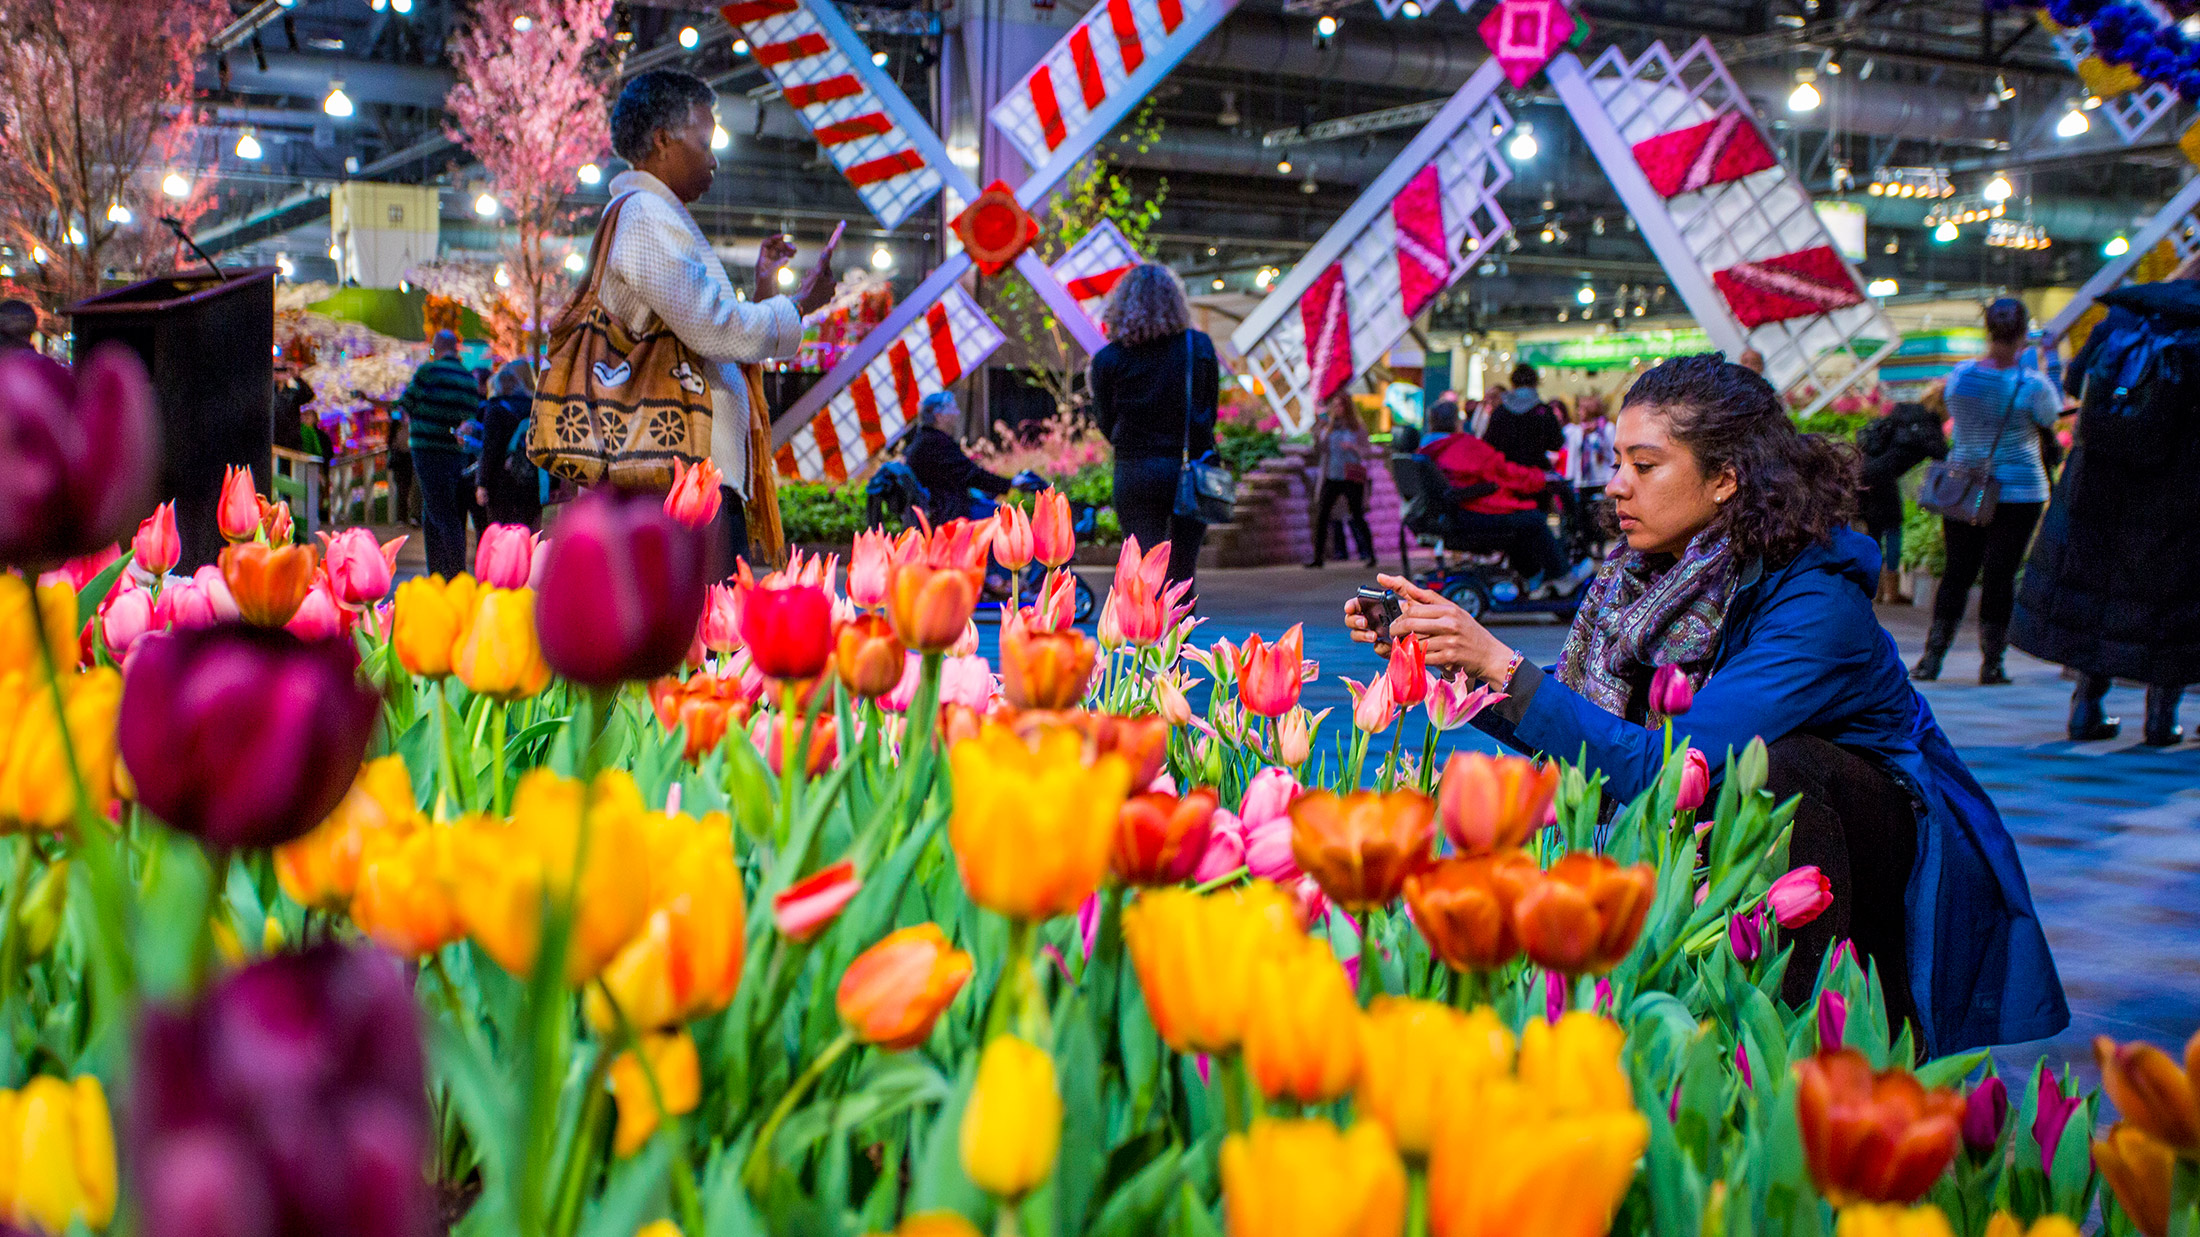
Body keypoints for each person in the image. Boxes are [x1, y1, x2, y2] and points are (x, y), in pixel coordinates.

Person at [1344, 354, 2067, 1056]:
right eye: (1618, 461)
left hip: (1869, 863)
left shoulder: (1816, 601)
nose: (1616, 487)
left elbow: (1667, 768)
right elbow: (1601, 741)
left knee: (1778, 767)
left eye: (1644, 466)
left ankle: (1803, 1053)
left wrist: (1500, 661)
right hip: (1741, 833)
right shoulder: (1640, 584)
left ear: (1726, 478)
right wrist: (1455, 664)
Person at [600, 68, 837, 568]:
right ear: (663, 140)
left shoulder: (652, 215)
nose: (712, 160)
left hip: (681, 471)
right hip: (676, 478)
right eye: (704, 142)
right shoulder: (645, 215)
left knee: (705, 636)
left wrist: (764, 289)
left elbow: (702, 330)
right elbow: (713, 327)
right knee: (701, 636)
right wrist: (798, 306)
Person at [2014, 274, 2200, 745]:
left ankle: (2085, 710)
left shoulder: (2123, 317)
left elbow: (2076, 382)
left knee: (2099, 596)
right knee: (2173, 599)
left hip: (2099, 481)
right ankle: (2161, 720)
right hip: (2177, 488)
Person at [1910, 299, 2064, 685]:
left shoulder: (1961, 377)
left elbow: (1954, 413)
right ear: (2024, 333)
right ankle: (1992, 664)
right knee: (2001, 576)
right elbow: (2050, 419)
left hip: (1963, 487)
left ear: (1988, 329)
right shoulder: (2031, 385)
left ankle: (1932, 658)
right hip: (2018, 491)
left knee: (1957, 574)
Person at [1090, 262, 1219, 595]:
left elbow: (1105, 420)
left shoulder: (1108, 359)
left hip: (1134, 470)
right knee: (1182, 571)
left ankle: (1150, 643)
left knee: (1146, 568)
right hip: (1188, 469)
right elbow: (1208, 411)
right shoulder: (1198, 347)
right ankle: (1177, 646)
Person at [1420, 401, 1593, 597]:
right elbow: (1505, 473)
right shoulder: (1463, 446)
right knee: (1533, 520)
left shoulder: (1430, 448)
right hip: (1473, 512)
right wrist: (1542, 478)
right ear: (1457, 423)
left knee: (1522, 521)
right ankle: (1561, 575)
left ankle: (1533, 577)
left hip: (1458, 513)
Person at [395, 329, 483, 578]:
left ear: (436, 347)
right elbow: (470, 415)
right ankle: (438, 571)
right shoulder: (468, 378)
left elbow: (407, 403)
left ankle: (454, 574)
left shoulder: (428, 372)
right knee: (436, 509)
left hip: (427, 449)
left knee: (441, 512)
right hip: (455, 451)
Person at [1853, 398, 1947, 605]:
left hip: (1864, 473)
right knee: (1893, 528)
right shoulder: (1926, 425)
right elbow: (1941, 453)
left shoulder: (1903, 416)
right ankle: (1891, 592)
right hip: (1885, 478)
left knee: (1874, 530)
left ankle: (1874, 590)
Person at [905, 390, 1013, 527]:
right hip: (946, 515)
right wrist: (1010, 484)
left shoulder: (925, 440)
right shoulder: (935, 444)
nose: (957, 413)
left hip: (941, 510)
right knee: (1003, 518)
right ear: (939, 416)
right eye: (953, 409)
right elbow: (969, 474)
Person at [1305, 392, 1376, 569]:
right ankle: (1318, 557)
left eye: (1340, 405)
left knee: (1357, 515)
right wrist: (1318, 430)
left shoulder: (1356, 427)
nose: (1337, 409)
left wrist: (1353, 447)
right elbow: (1320, 449)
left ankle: (1370, 554)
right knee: (1322, 514)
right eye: (1335, 406)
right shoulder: (1330, 427)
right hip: (1333, 474)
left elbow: (1367, 451)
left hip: (1350, 475)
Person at [475, 360, 543, 529]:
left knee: (501, 532)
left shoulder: (496, 408)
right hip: (531, 480)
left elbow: (489, 449)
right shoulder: (536, 406)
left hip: (500, 482)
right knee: (526, 531)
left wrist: (482, 483)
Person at [1481, 363, 1565, 472]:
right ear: (1535, 383)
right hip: (1536, 473)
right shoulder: (1543, 411)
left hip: (1507, 473)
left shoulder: (1501, 412)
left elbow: (1489, 443)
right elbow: (1556, 443)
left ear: (1513, 383)